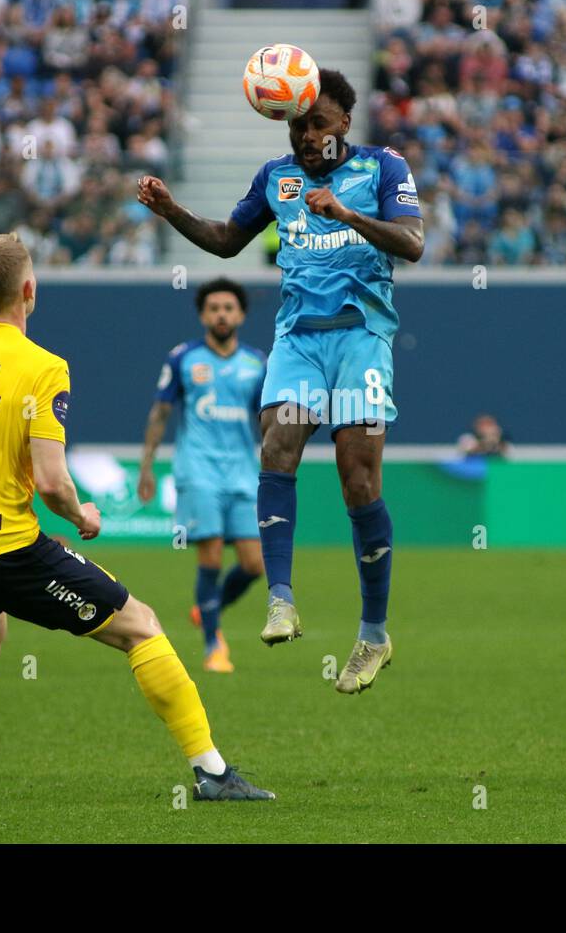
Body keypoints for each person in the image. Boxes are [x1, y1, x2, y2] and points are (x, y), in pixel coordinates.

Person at [0, 233, 273, 802]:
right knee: (141, 626)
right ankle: (212, 774)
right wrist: (80, 513)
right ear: (29, 291)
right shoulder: (43, 368)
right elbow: (51, 481)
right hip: (12, 552)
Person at [137, 69, 425, 694]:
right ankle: (281, 599)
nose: (305, 134)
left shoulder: (383, 168)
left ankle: (373, 634)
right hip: (298, 339)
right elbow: (224, 241)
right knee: (277, 445)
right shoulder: (276, 178)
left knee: (358, 480)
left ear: (344, 122)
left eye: (317, 122)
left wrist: (346, 213)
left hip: (361, 338)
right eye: (297, 123)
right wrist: (170, 210)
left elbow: (413, 244)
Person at [137, 277, 267, 674]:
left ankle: (207, 610)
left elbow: (267, 420)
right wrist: (146, 465)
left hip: (243, 473)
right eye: (214, 308)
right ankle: (214, 645)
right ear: (202, 315)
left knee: (254, 564)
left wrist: (278, 465)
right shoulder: (183, 358)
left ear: (241, 314)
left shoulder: (256, 363)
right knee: (209, 553)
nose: (221, 314)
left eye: (229, 307)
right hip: (198, 470)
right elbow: (160, 412)